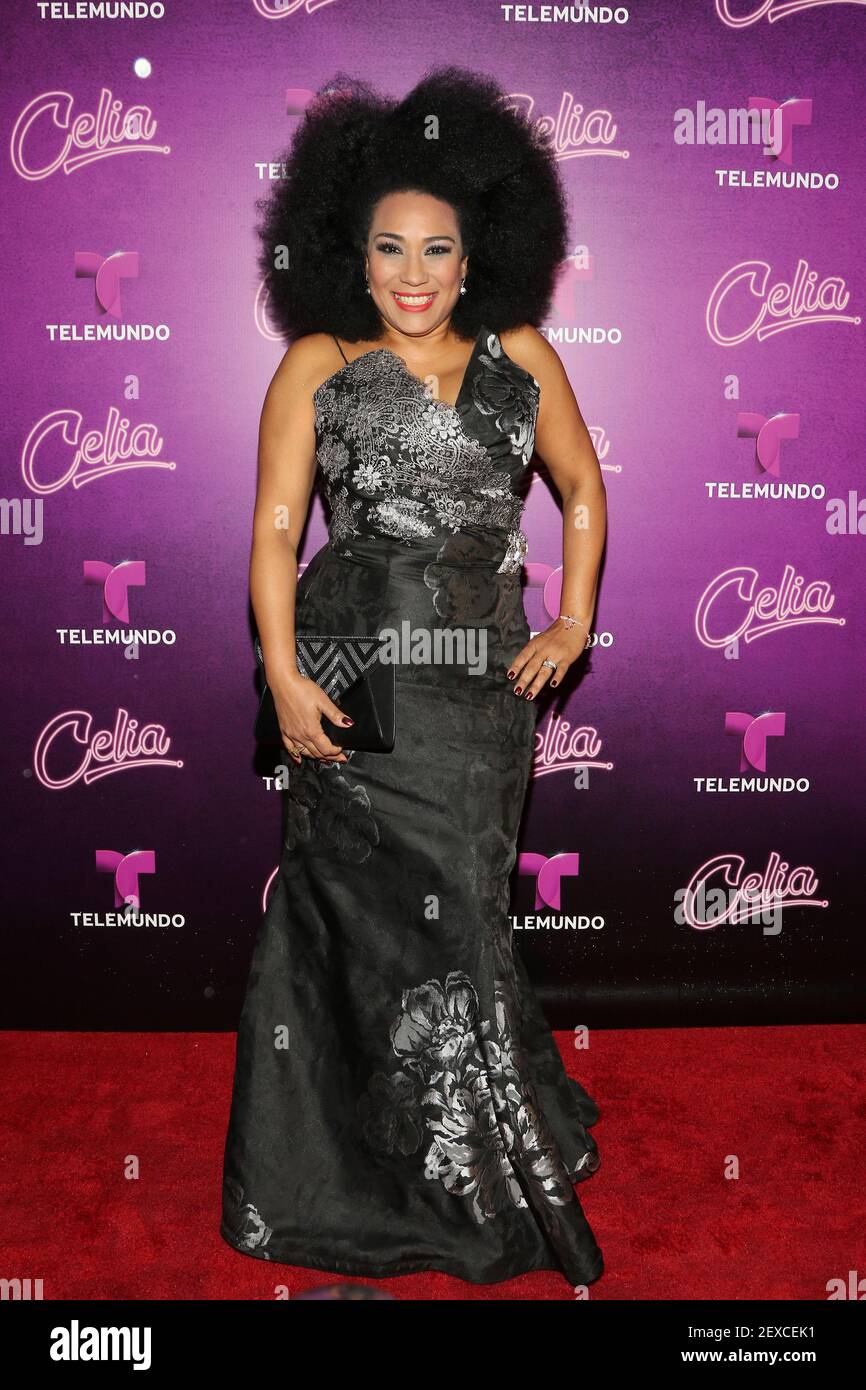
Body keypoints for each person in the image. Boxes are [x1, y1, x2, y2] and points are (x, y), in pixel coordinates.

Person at [220, 65, 608, 1290]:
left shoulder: (521, 354)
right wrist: (282, 677)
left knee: (467, 913)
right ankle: (332, 1169)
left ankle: (478, 1146)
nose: (411, 273)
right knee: (341, 921)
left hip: (476, 686)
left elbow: (584, 493)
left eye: (436, 248)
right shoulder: (316, 364)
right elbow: (278, 533)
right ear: (347, 249)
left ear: (477, 251)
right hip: (345, 666)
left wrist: (573, 617)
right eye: (387, 246)